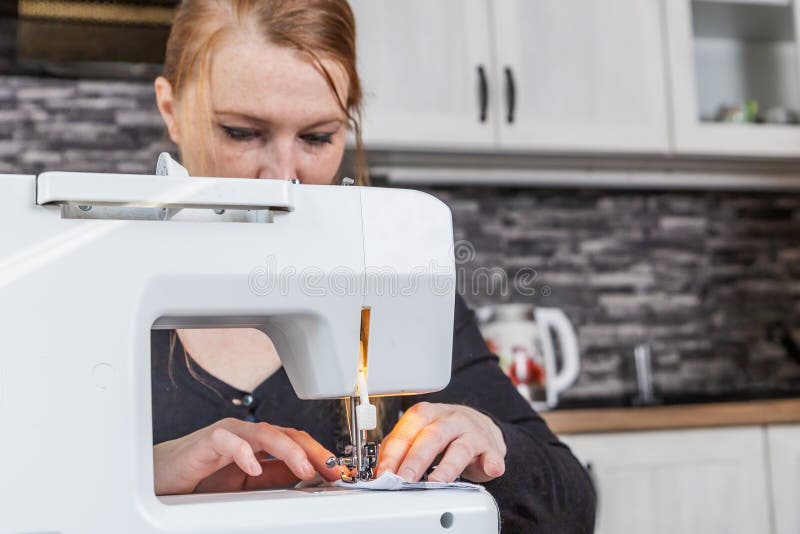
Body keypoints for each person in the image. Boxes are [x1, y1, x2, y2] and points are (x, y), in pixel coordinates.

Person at [150, 0, 596, 531]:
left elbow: (572, 507)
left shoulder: (395, 288)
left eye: (318, 137)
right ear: (170, 108)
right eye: (242, 132)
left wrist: (498, 451)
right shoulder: (86, 300)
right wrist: (143, 476)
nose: (282, 178)